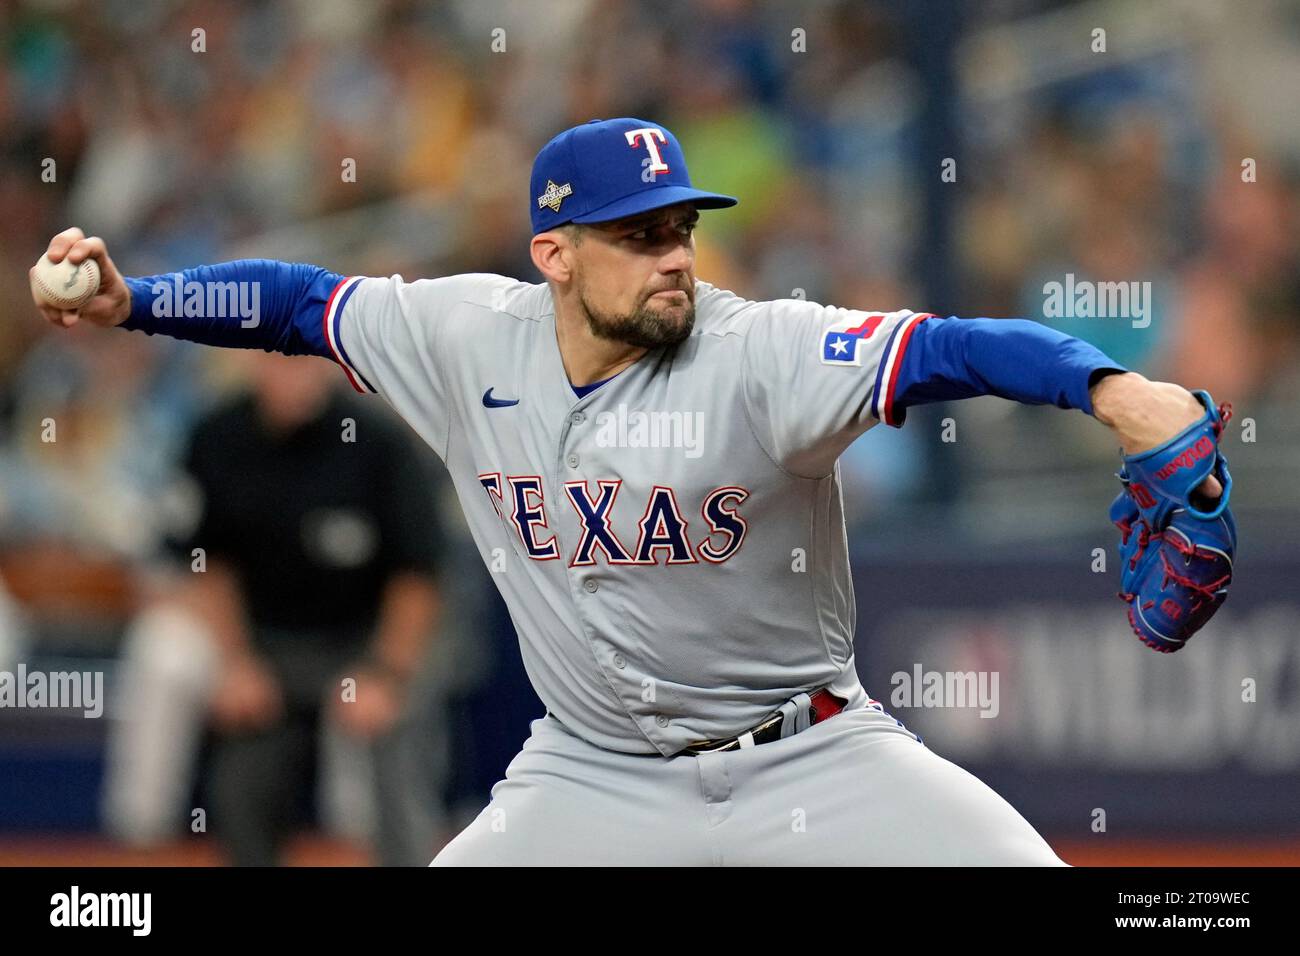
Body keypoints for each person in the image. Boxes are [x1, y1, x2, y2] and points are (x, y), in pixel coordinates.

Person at [30, 117, 1226, 865]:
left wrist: (1118, 390)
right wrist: (133, 302)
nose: (672, 256)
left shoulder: (757, 351)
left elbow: (949, 347)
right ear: (552, 254)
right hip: (590, 772)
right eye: (637, 234)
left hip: (812, 760)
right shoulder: (462, 335)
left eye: (681, 229)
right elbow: (295, 302)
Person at [102, 350, 447, 866]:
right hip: (264, 645)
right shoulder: (218, 435)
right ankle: (142, 838)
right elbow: (205, 562)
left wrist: (385, 673)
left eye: (305, 360)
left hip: (359, 641)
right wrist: (235, 663)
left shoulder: (379, 442)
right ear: (253, 363)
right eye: (278, 360)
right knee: (242, 783)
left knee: (392, 746)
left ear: (329, 364)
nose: (293, 375)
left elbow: (418, 575)